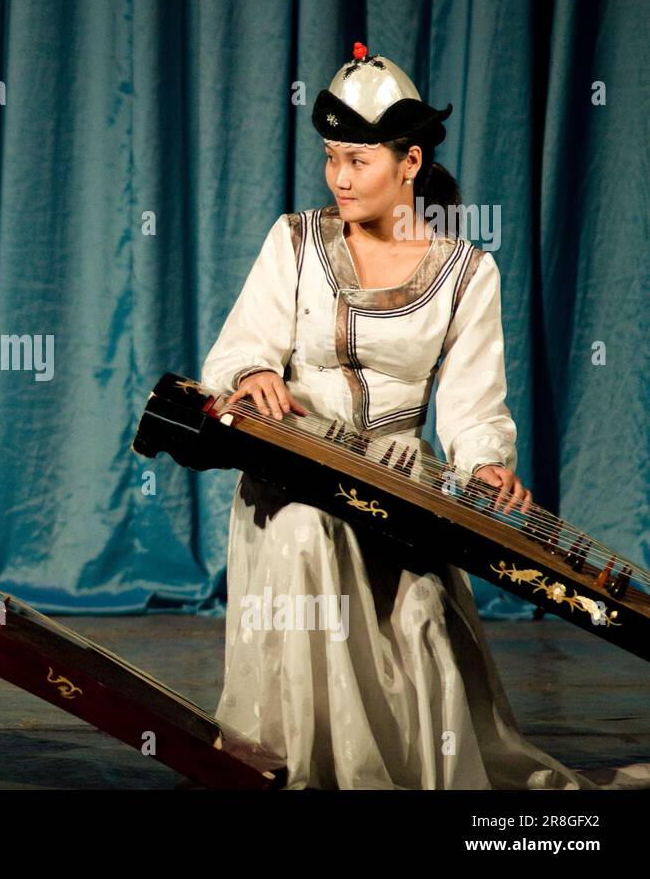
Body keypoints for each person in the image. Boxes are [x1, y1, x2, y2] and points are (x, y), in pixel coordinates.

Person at [201, 43, 624, 789]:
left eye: (358, 161)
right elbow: (236, 351)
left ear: (410, 163)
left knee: (423, 605)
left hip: (398, 485)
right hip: (294, 474)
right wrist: (257, 370)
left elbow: (473, 405)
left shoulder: (467, 272)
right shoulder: (294, 242)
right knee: (304, 532)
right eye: (332, 157)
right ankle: (310, 766)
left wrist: (486, 460)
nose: (339, 177)